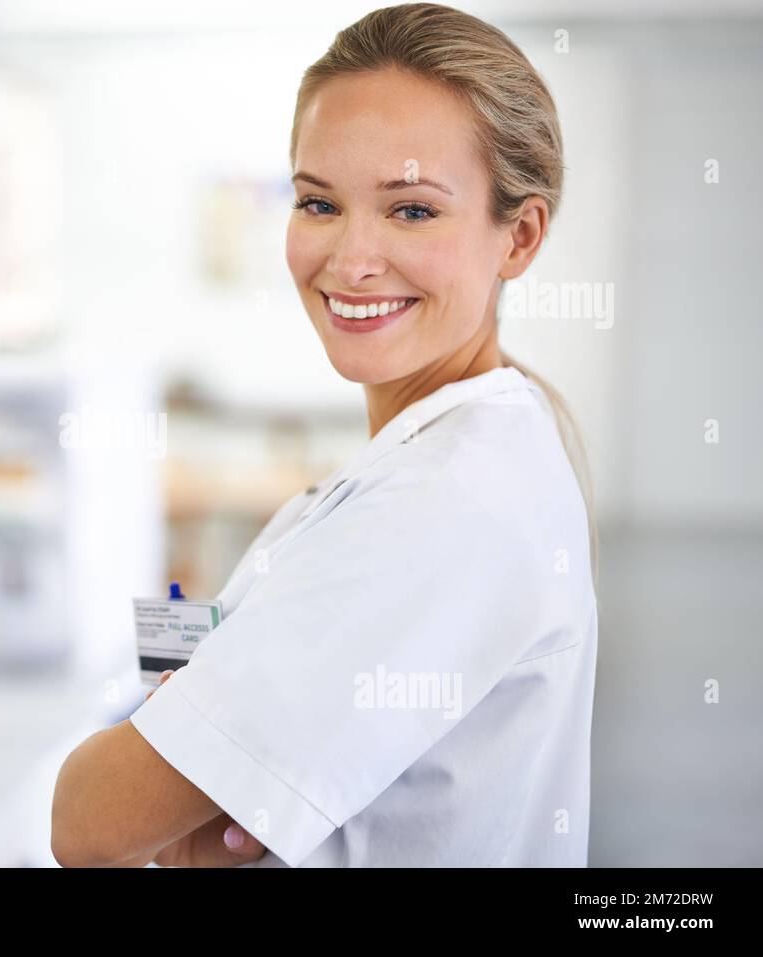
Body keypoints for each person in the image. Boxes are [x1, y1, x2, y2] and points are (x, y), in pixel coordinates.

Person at [51, 2, 599, 868]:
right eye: (318, 201)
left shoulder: (448, 501)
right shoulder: (442, 458)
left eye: (412, 210)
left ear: (518, 237)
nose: (350, 259)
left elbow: (89, 820)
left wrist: (175, 769)